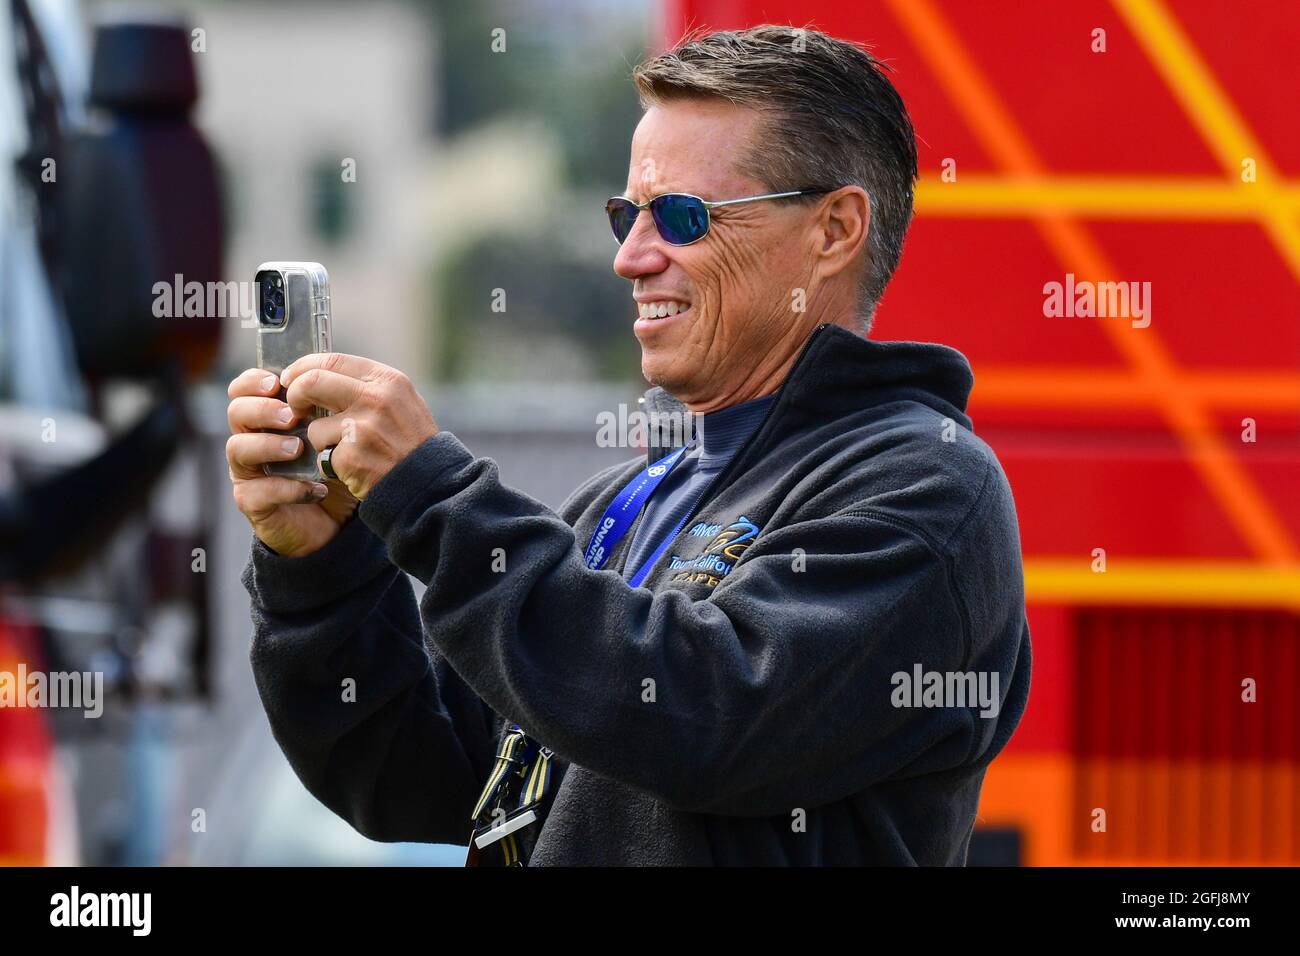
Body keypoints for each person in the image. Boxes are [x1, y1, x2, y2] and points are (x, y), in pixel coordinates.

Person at [228, 25, 1031, 865]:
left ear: (834, 230)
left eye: (683, 217)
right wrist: (321, 567)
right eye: (626, 215)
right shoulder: (624, 502)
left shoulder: (928, 491)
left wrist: (433, 494)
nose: (632, 258)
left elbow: (707, 718)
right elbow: (411, 779)